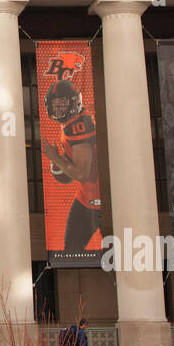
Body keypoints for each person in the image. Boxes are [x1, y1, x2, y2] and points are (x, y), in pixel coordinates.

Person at [40, 80, 102, 254]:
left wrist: (56, 158)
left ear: (74, 102)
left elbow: (82, 173)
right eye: (55, 103)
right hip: (86, 197)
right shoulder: (75, 121)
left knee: (122, 258)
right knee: (71, 252)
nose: (58, 107)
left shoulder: (78, 127)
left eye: (62, 102)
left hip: (99, 200)